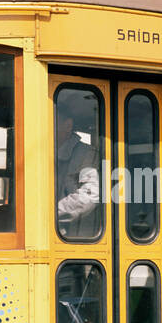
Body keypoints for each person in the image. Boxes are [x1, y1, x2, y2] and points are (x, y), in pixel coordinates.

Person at [55, 96, 101, 239]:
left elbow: (90, 195)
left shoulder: (86, 154)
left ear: (68, 125)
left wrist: (51, 214)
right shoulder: (45, 155)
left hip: (79, 239)